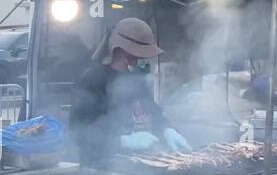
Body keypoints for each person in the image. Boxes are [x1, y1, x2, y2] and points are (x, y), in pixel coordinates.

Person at [70, 18, 191, 160]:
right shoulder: (93, 80)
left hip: (139, 167)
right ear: (121, 50)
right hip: (101, 170)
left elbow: (151, 110)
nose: (142, 59)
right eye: (138, 54)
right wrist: (123, 141)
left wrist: (166, 129)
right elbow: (79, 133)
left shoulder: (134, 78)